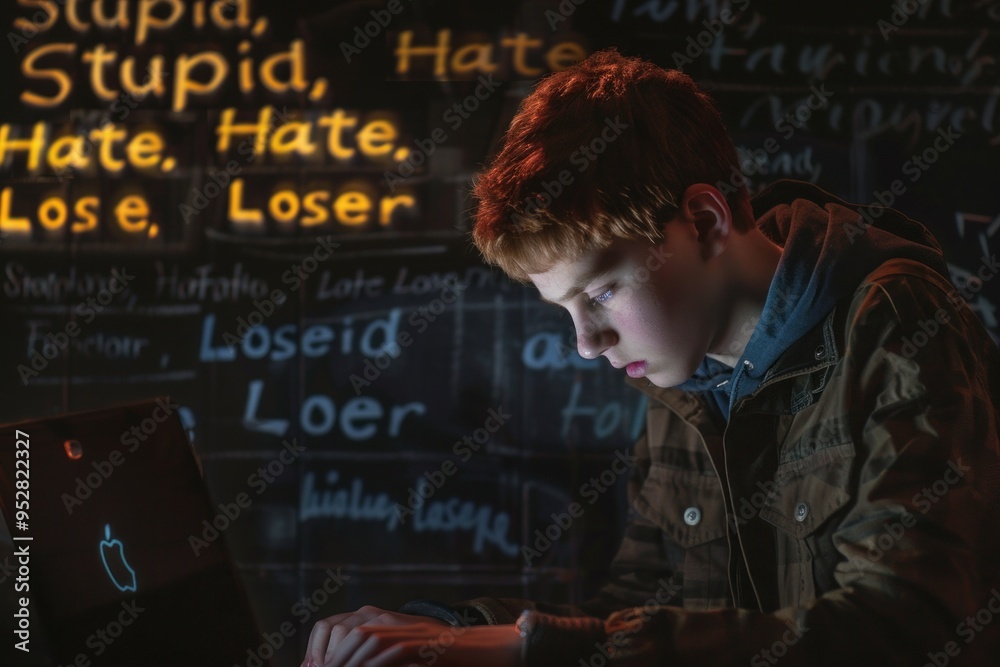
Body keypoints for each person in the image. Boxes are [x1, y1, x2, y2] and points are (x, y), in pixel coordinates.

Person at [300, 49, 1000, 666]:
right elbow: (643, 608)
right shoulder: (681, 379)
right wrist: (448, 632)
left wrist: (520, 649)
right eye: (565, 308)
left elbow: (901, 628)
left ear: (704, 221)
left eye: (602, 291)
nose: (585, 341)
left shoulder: (896, 320)